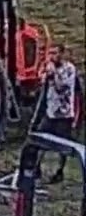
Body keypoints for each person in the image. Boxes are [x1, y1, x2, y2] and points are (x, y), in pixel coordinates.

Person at [39, 44, 81, 184]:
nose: (52, 56)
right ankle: (36, 168)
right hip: (50, 112)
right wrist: (45, 74)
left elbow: (62, 87)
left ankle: (59, 171)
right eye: (50, 53)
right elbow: (41, 81)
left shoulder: (69, 69)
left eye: (55, 53)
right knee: (40, 139)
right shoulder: (49, 66)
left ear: (62, 54)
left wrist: (54, 74)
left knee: (62, 144)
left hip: (64, 113)